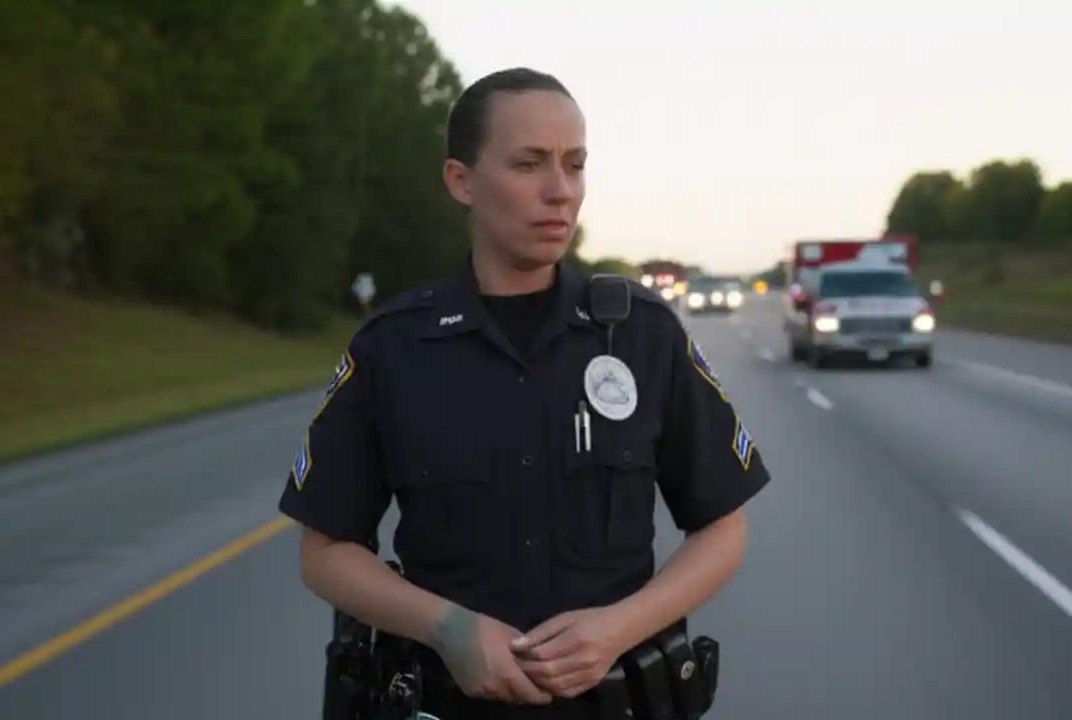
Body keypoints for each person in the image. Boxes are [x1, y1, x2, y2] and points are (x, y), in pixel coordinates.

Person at [278, 67, 771, 718]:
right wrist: (448, 629)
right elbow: (325, 553)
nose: (560, 191)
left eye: (575, 165)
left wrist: (619, 628)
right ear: (462, 181)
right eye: (530, 164)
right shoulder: (392, 349)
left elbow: (723, 527)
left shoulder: (644, 337)